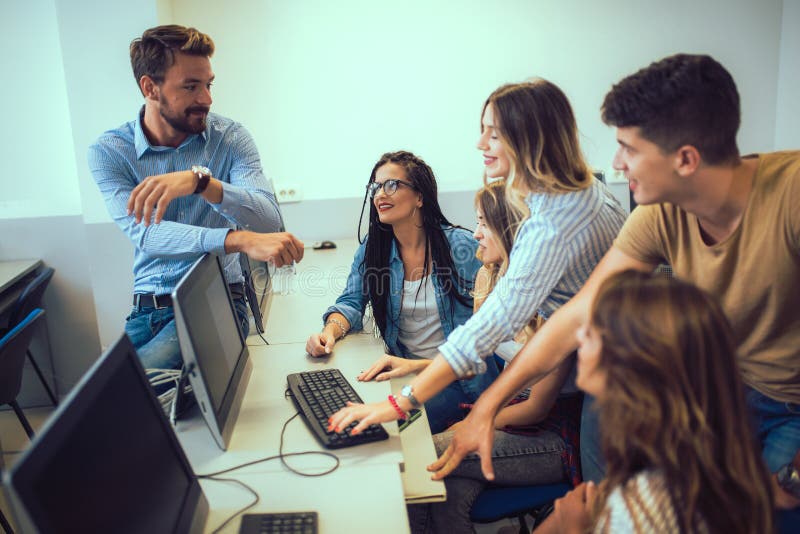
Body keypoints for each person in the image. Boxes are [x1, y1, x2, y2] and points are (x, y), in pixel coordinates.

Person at [432, 54, 800, 510]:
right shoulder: (658, 212)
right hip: (724, 390)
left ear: (685, 159)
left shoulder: (791, 196)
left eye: (629, 148)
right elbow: (577, 314)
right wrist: (487, 407)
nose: (616, 163)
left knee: (768, 511)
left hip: (790, 406)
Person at [328, 80, 626, 454]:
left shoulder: (551, 225)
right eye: (482, 131)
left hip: (609, 385)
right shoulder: (576, 197)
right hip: (580, 376)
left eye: (494, 134)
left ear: (530, 138)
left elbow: (489, 329)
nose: (480, 143)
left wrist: (402, 402)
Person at [88, 25, 304, 376]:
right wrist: (237, 239)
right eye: (190, 86)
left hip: (219, 301)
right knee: (109, 395)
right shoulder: (110, 151)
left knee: (126, 391)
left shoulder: (231, 138)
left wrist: (202, 183)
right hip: (147, 308)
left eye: (208, 84)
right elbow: (147, 235)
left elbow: (268, 222)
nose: (206, 98)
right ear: (150, 87)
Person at [537, 270, 774, 533]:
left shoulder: (644, 507)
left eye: (593, 331)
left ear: (631, 363)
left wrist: (573, 528)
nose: (580, 336)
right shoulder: (691, 468)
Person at [408, 181, 582, 534]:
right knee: (446, 494)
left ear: (512, 228)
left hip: (551, 436)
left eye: (484, 224)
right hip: (512, 416)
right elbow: (477, 354)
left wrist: (479, 422)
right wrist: (412, 367)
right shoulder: (491, 276)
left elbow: (537, 407)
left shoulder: (553, 300)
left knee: (422, 455)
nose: (475, 234)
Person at [305, 150, 495, 433]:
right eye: (376, 186)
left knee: (392, 427)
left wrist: (413, 367)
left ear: (420, 197)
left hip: (460, 383)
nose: (380, 194)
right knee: (356, 414)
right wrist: (329, 332)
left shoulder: (463, 248)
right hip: (407, 375)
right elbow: (351, 302)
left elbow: (492, 336)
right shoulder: (375, 250)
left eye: (391, 185)